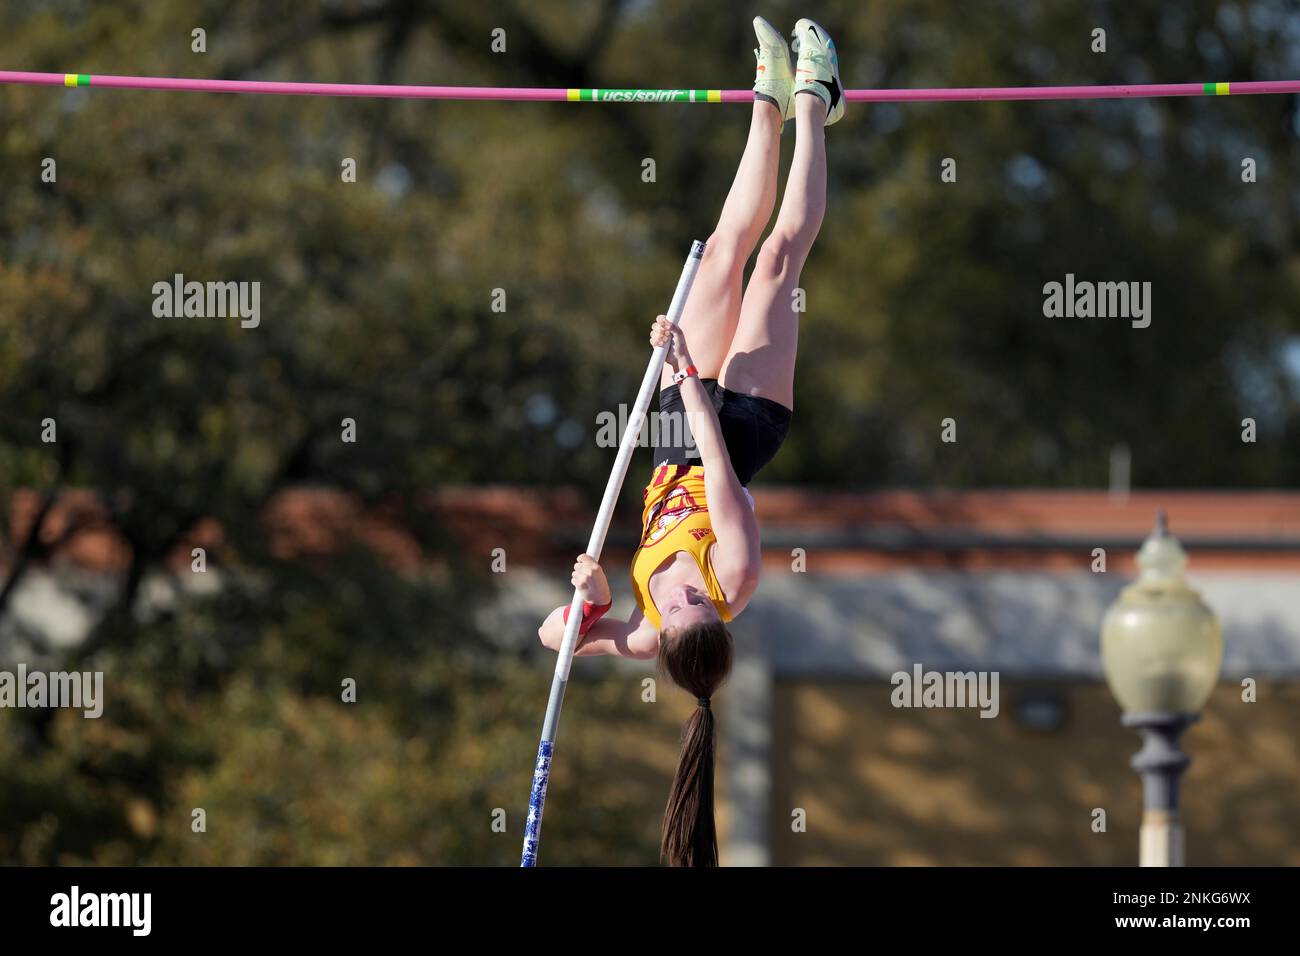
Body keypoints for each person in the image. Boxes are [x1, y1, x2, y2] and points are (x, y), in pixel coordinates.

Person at [538, 16, 843, 867]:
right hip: (738, 426)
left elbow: (551, 635)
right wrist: (678, 371)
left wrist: (592, 601)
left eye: (673, 614)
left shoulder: (646, 635)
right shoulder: (734, 574)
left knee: (717, 259)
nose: (680, 602)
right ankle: (817, 100)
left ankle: (765, 94)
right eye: (694, 607)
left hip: (677, 420)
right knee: (777, 259)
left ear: (664, 640)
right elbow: (717, 470)